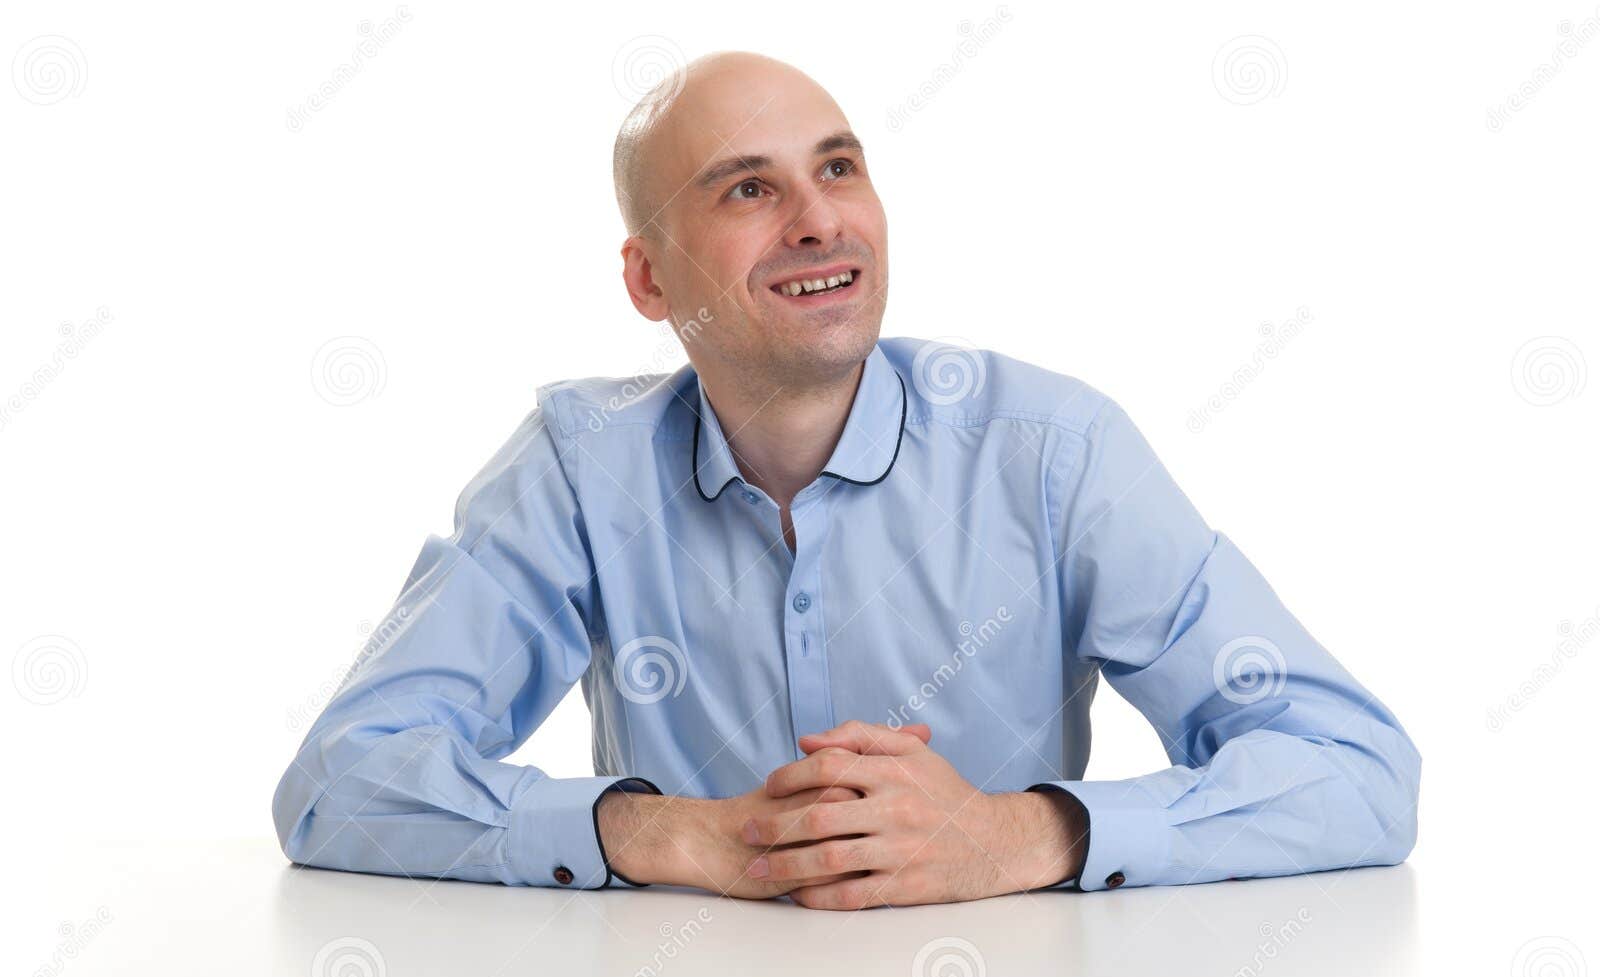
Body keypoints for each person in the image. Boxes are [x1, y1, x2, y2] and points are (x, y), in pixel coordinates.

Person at [271, 51, 1420, 910]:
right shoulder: (582, 464)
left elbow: (1357, 772)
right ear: (649, 278)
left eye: (837, 168)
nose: (820, 221)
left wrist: (1023, 836)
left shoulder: (1054, 451)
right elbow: (340, 779)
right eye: (746, 190)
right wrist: (676, 836)